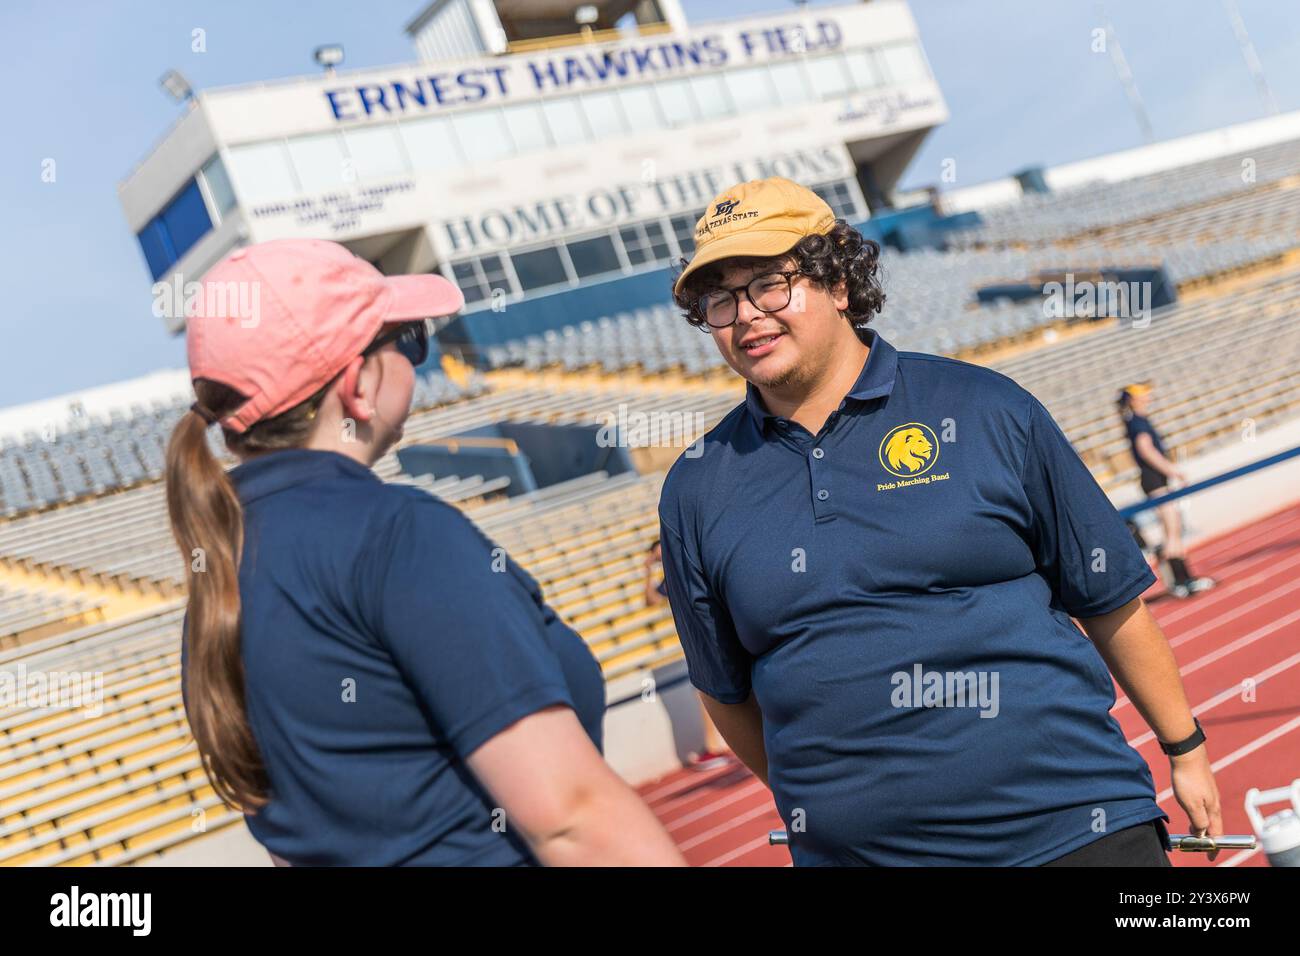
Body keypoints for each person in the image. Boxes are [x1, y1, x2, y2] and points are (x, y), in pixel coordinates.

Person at [657, 177, 1223, 866]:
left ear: (839, 283)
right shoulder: (696, 486)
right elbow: (724, 687)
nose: (747, 315)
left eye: (772, 283)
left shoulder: (985, 408)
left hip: (1077, 834)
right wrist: (830, 805)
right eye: (721, 298)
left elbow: (1107, 600)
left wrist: (1183, 747)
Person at [165, 238, 684, 867]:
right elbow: (574, 819)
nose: (418, 357)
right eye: (409, 342)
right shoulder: (396, 534)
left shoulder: (219, 578)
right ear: (356, 385)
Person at [1118, 383, 1216, 599]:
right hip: (1155, 480)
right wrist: (1171, 470)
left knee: (1173, 529)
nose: (1147, 397)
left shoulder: (1138, 421)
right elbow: (1146, 450)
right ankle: (1180, 580)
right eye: (1142, 395)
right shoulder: (1137, 422)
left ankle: (1183, 578)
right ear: (1133, 400)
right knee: (1172, 529)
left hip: (1156, 479)